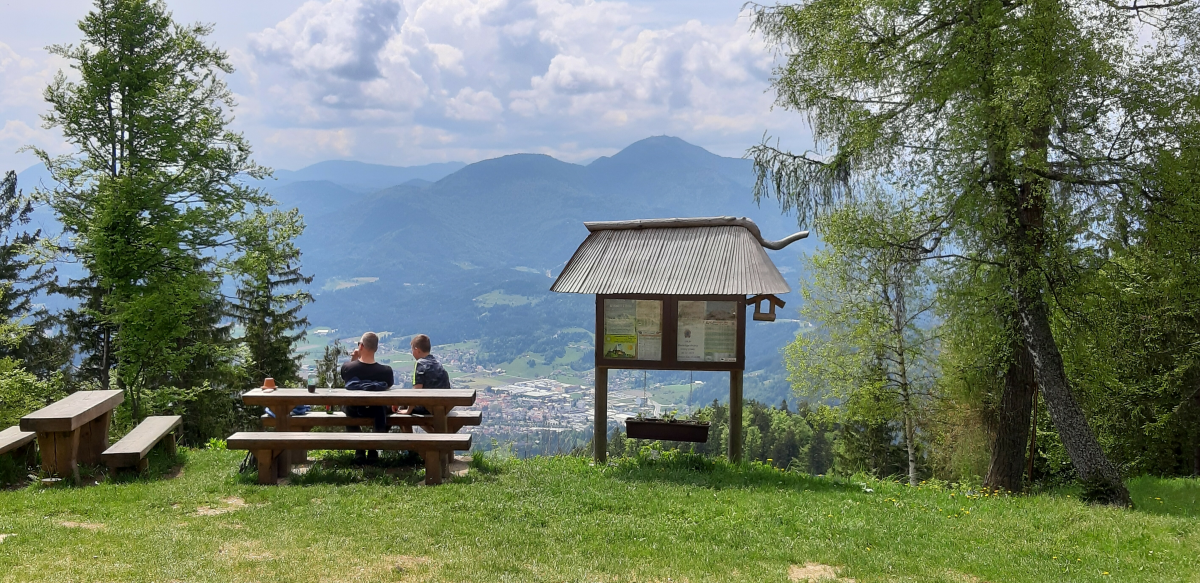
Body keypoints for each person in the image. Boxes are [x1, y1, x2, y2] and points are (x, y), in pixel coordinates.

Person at [341, 332, 395, 464]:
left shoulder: (348, 368)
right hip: (377, 411)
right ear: (376, 348)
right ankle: (373, 450)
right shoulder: (386, 371)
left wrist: (354, 359)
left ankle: (360, 449)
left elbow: (347, 377)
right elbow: (388, 386)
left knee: (344, 406)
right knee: (387, 410)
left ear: (361, 347)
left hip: (355, 410)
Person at [399, 334, 451, 417]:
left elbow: (416, 391)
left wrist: (408, 411)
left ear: (417, 350)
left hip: (429, 408)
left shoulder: (420, 364)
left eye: (412, 350)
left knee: (403, 407)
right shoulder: (437, 362)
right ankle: (432, 430)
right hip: (444, 406)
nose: (412, 353)